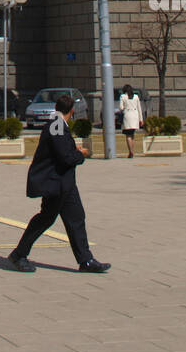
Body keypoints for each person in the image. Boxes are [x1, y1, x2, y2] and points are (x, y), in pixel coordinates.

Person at [8, 93, 110, 274]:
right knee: (45, 219)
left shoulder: (57, 124)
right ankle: (18, 254)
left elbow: (61, 149)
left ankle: (86, 261)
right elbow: (65, 157)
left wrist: (72, 149)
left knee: (76, 218)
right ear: (71, 111)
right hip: (56, 184)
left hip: (65, 184)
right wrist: (81, 154)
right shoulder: (57, 126)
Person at [119, 83, 143, 158]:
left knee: (128, 135)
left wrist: (124, 108)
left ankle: (130, 151)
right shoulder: (136, 97)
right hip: (135, 116)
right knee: (132, 135)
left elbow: (121, 107)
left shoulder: (123, 97)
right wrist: (141, 119)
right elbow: (139, 108)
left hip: (127, 116)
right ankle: (132, 150)